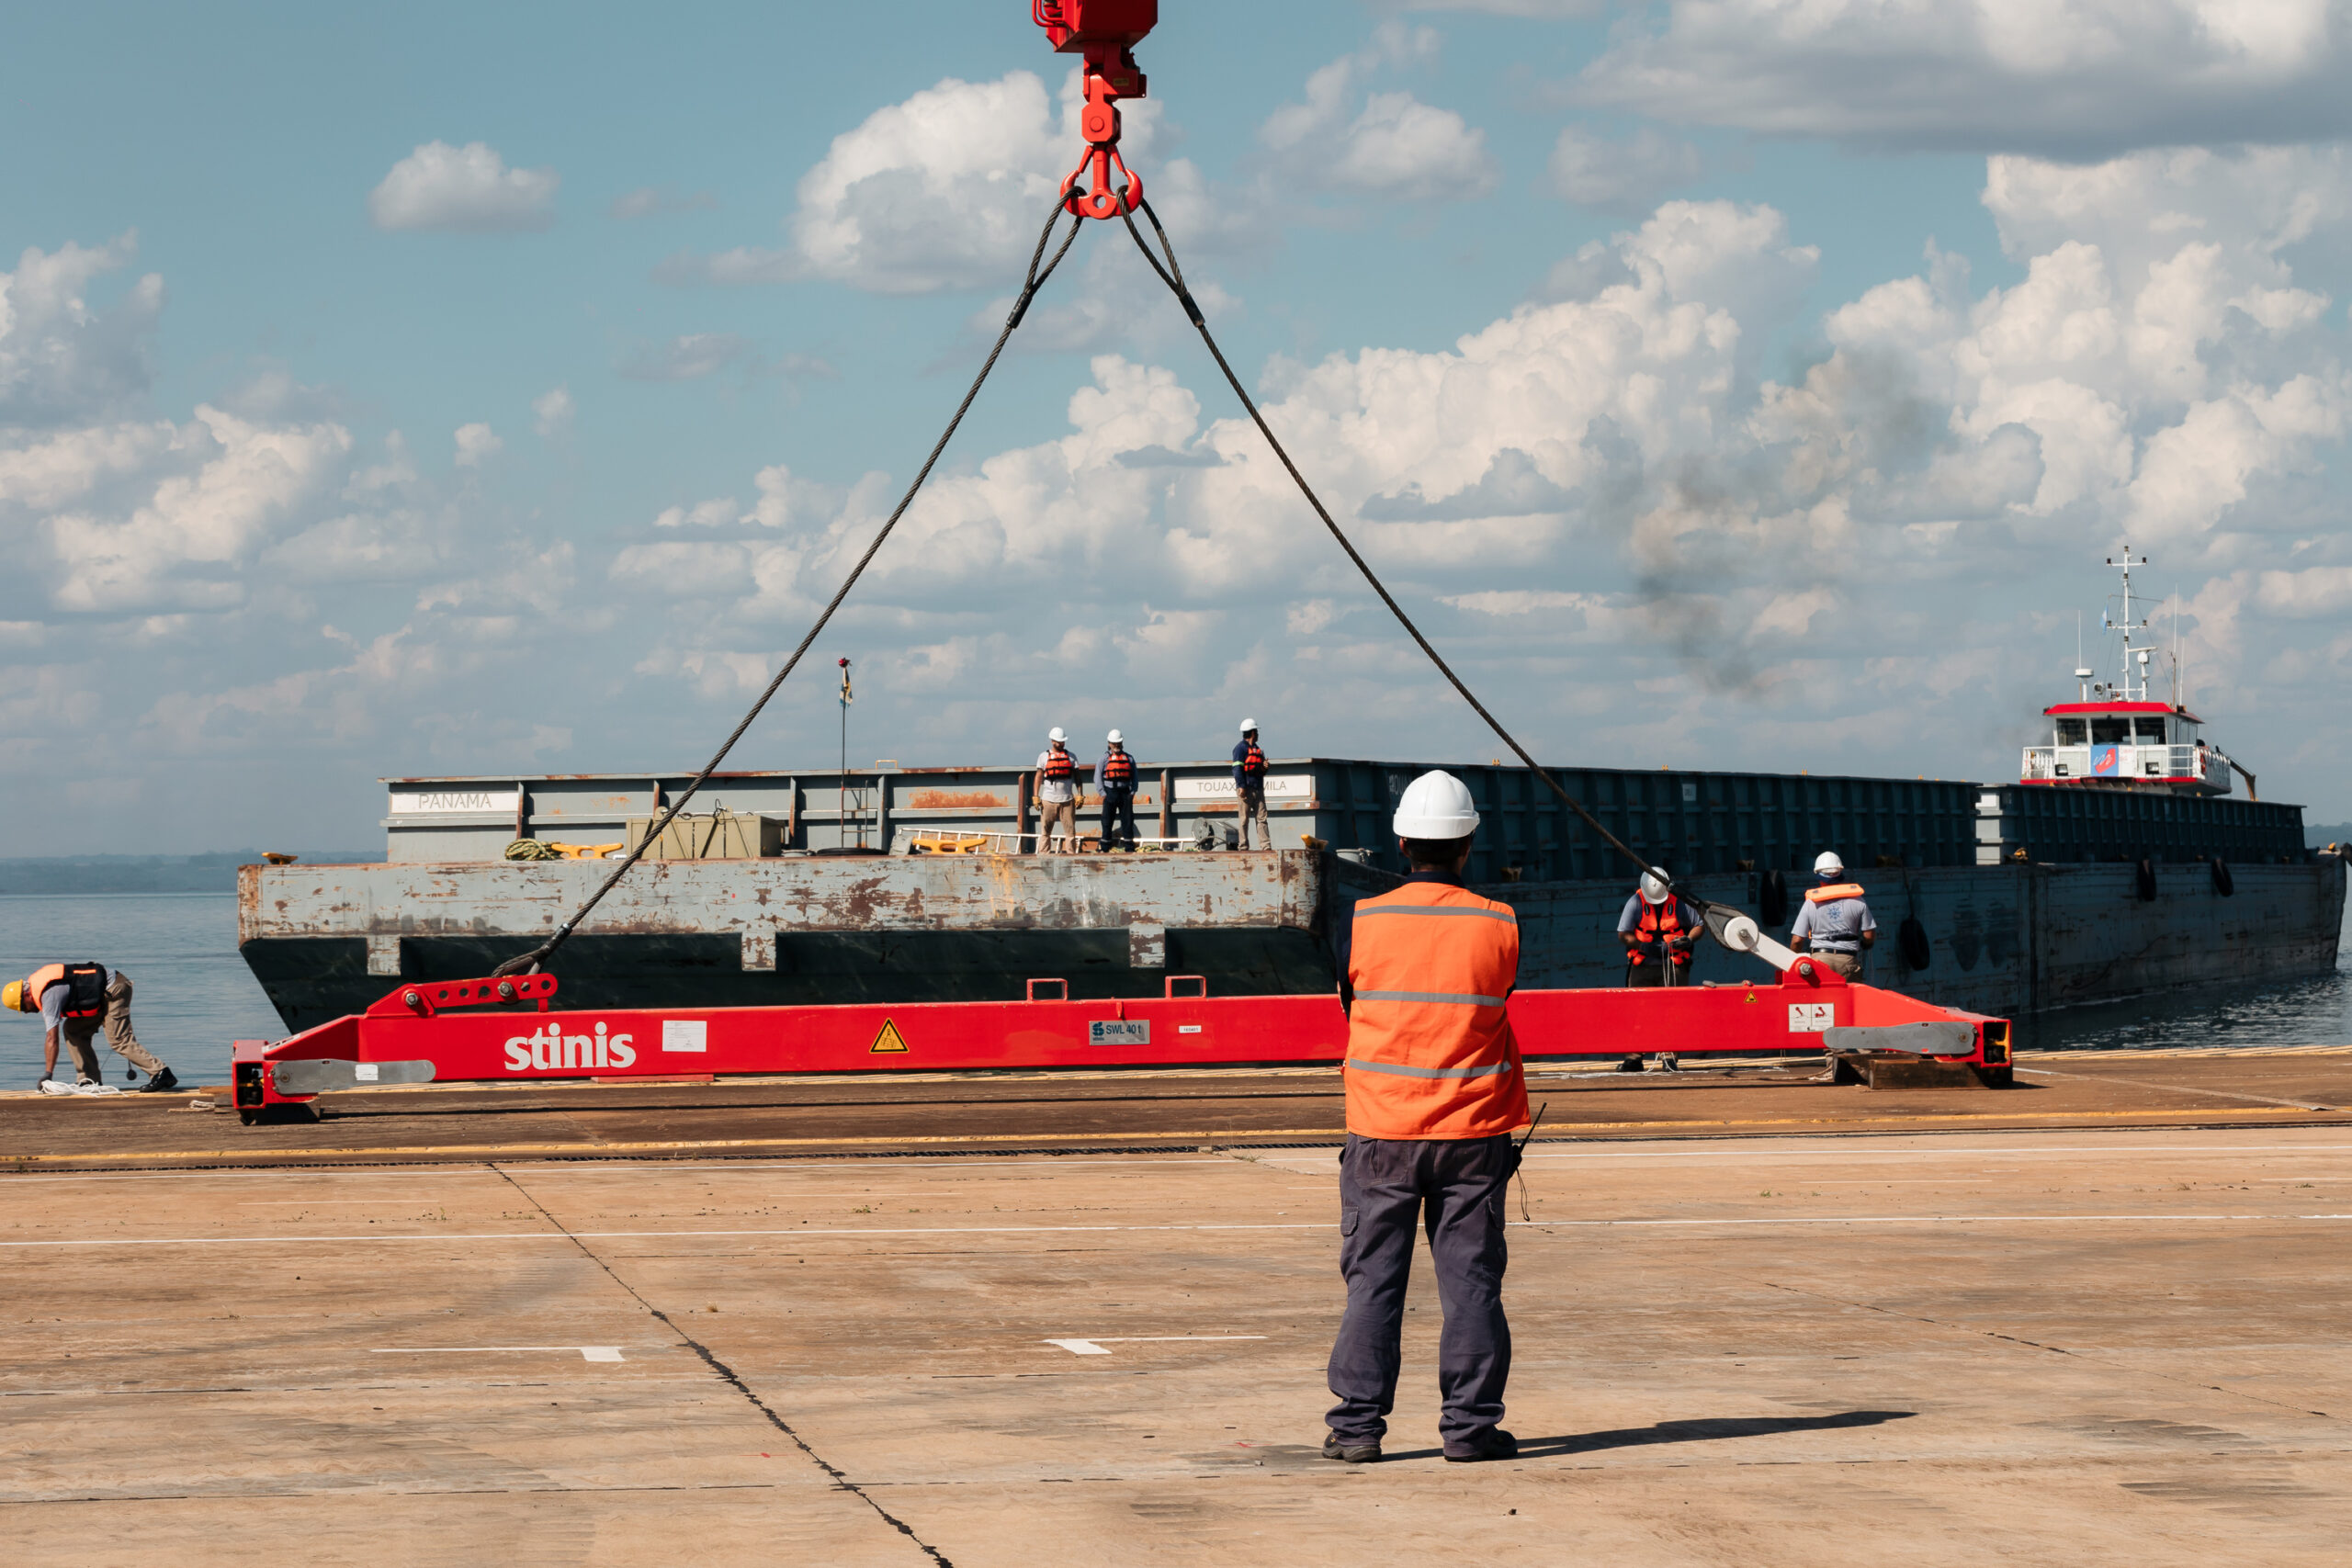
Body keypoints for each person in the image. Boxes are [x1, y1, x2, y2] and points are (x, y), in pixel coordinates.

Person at [1324, 770, 1527, 1466]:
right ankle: (1469, 1429)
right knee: (1471, 1285)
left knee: (1373, 1283)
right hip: (1473, 1134)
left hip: (1381, 1130)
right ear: (1468, 844)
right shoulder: (1499, 922)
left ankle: (1357, 1429)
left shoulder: (1362, 920)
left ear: (1402, 843)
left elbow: (1352, 1004)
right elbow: (1497, 996)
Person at [7, 963, 180, 1095]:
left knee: (118, 1040)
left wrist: (48, 1074)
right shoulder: (40, 984)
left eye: (23, 1008)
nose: (27, 1012)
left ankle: (161, 1073)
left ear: (26, 995)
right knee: (73, 1029)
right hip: (100, 995)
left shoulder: (48, 995)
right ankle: (89, 1080)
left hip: (114, 989)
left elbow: (52, 1038)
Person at [1614, 866, 1702, 1071]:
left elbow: (1698, 925)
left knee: (1673, 1013)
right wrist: (1641, 946)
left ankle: (1669, 1058)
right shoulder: (1635, 902)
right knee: (1637, 1012)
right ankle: (1634, 1058)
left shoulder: (1680, 902)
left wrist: (1688, 939)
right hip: (1642, 966)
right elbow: (1623, 934)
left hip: (1673, 966)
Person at [1790, 852, 1874, 979]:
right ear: (1840, 872)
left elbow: (1797, 941)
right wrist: (1866, 944)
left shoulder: (1810, 904)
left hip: (1819, 962)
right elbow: (1869, 935)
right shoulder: (1858, 901)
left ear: (1818, 876)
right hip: (1848, 962)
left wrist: (1792, 961)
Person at [1035, 728, 1080, 852]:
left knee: (1070, 833)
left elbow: (1078, 777)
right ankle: (1044, 856)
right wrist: (1036, 796)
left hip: (1067, 800)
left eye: (1063, 741)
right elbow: (1038, 777)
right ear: (1052, 741)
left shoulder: (1071, 757)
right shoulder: (1043, 757)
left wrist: (1080, 794)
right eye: (1059, 742)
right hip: (1048, 800)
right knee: (1045, 832)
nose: (1061, 744)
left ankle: (1071, 856)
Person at [1096, 729, 1140, 852]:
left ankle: (1129, 847)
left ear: (1122, 743)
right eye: (1114, 743)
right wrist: (1103, 793)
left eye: (1118, 743)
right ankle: (1105, 847)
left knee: (1128, 820)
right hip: (1110, 792)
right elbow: (1097, 777)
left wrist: (1133, 791)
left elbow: (1135, 776)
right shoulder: (1103, 759)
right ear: (1109, 743)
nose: (1116, 745)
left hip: (1125, 792)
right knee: (1107, 821)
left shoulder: (1129, 758)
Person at [1231, 718, 1272, 850]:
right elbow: (1237, 769)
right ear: (1253, 733)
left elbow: (1260, 771)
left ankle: (1266, 846)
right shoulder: (1239, 749)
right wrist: (1241, 786)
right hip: (1246, 789)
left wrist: (1264, 767)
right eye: (1256, 731)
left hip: (1258, 788)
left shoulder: (1257, 749)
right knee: (1244, 819)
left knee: (1262, 818)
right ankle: (1243, 846)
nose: (1258, 734)